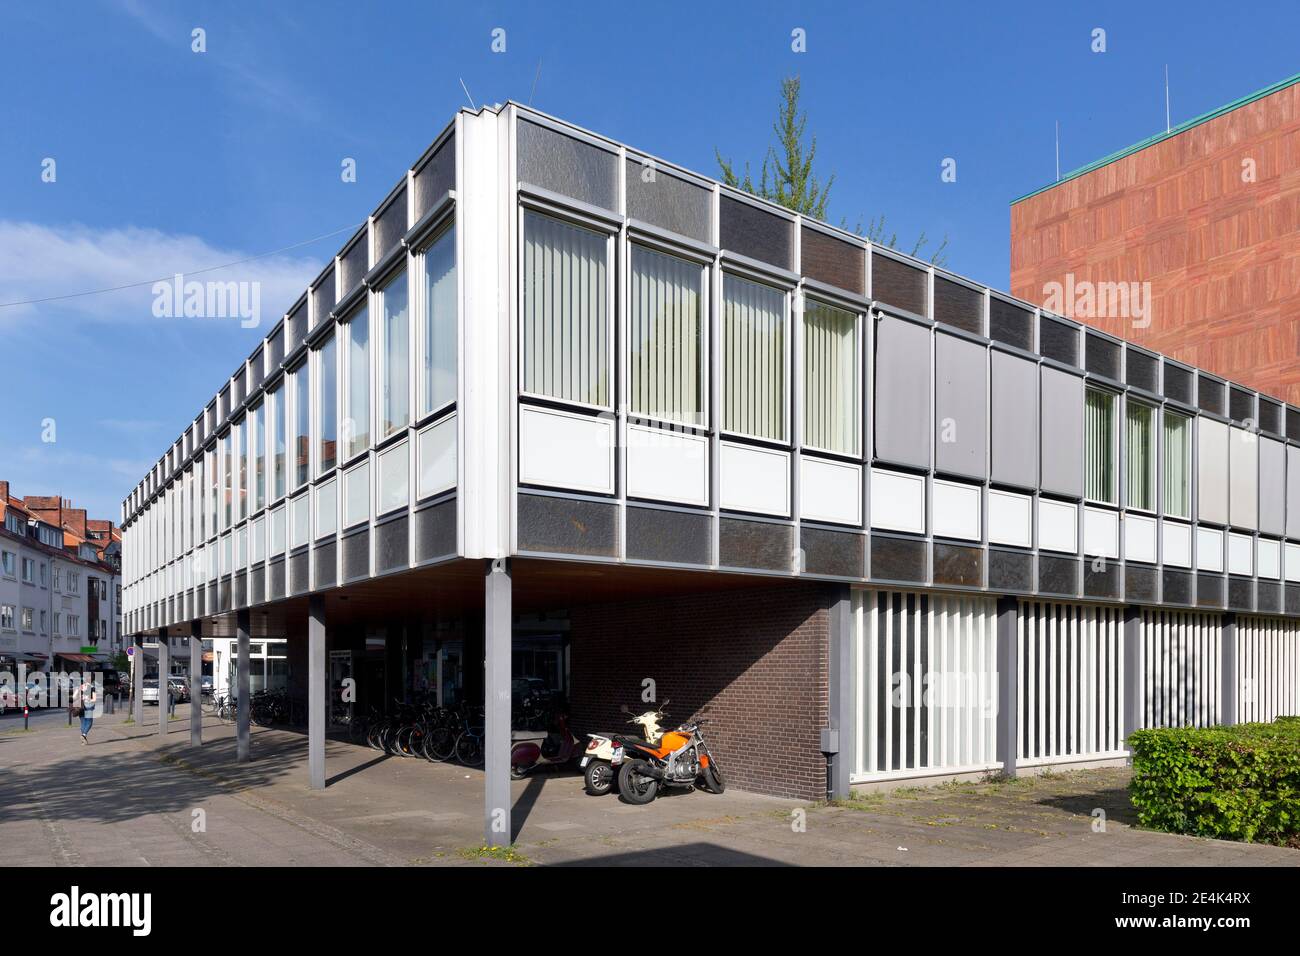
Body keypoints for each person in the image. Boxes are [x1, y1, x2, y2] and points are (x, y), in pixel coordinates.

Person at [73, 678, 97, 744]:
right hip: (89, 706)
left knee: (83, 722)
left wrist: (81, 698)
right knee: (89, 722)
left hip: (81, 707)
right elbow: (94, 699)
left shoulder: (80, 687)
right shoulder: (92, 688)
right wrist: (88, 699)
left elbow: (74, 697)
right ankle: (84, 735)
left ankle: (83, 740)